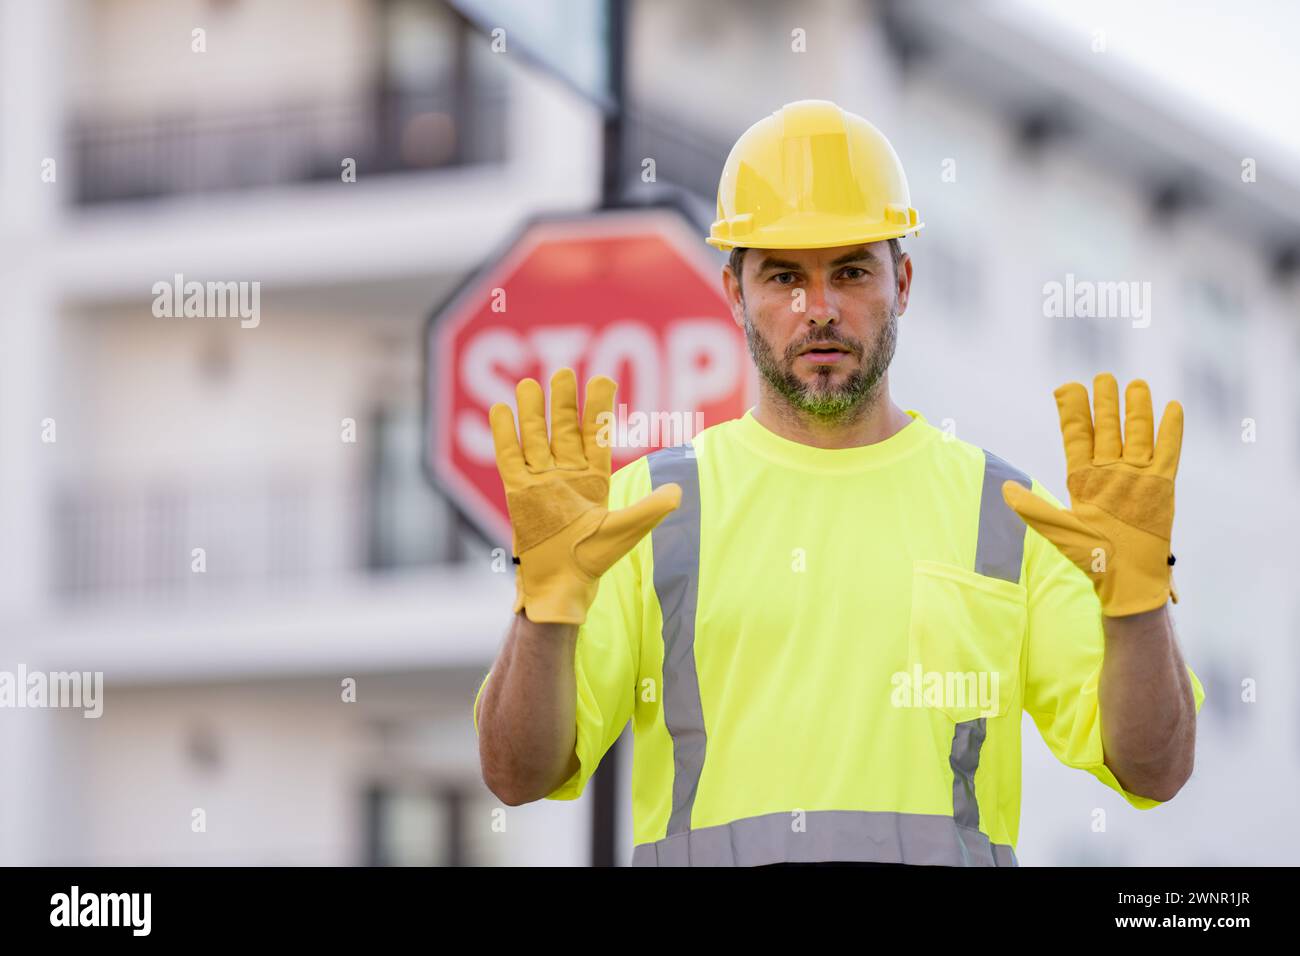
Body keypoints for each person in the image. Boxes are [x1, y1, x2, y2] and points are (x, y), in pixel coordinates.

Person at [473, 100, 1204, 867]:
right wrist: (541, 614)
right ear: (732, 293)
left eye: (851, 271)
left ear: (904, 280)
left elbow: (1154, 766)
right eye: (784, 276)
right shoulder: (645, 511)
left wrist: (1138, 609)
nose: (817, 310)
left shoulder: (1010, 515)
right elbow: (517, 774)